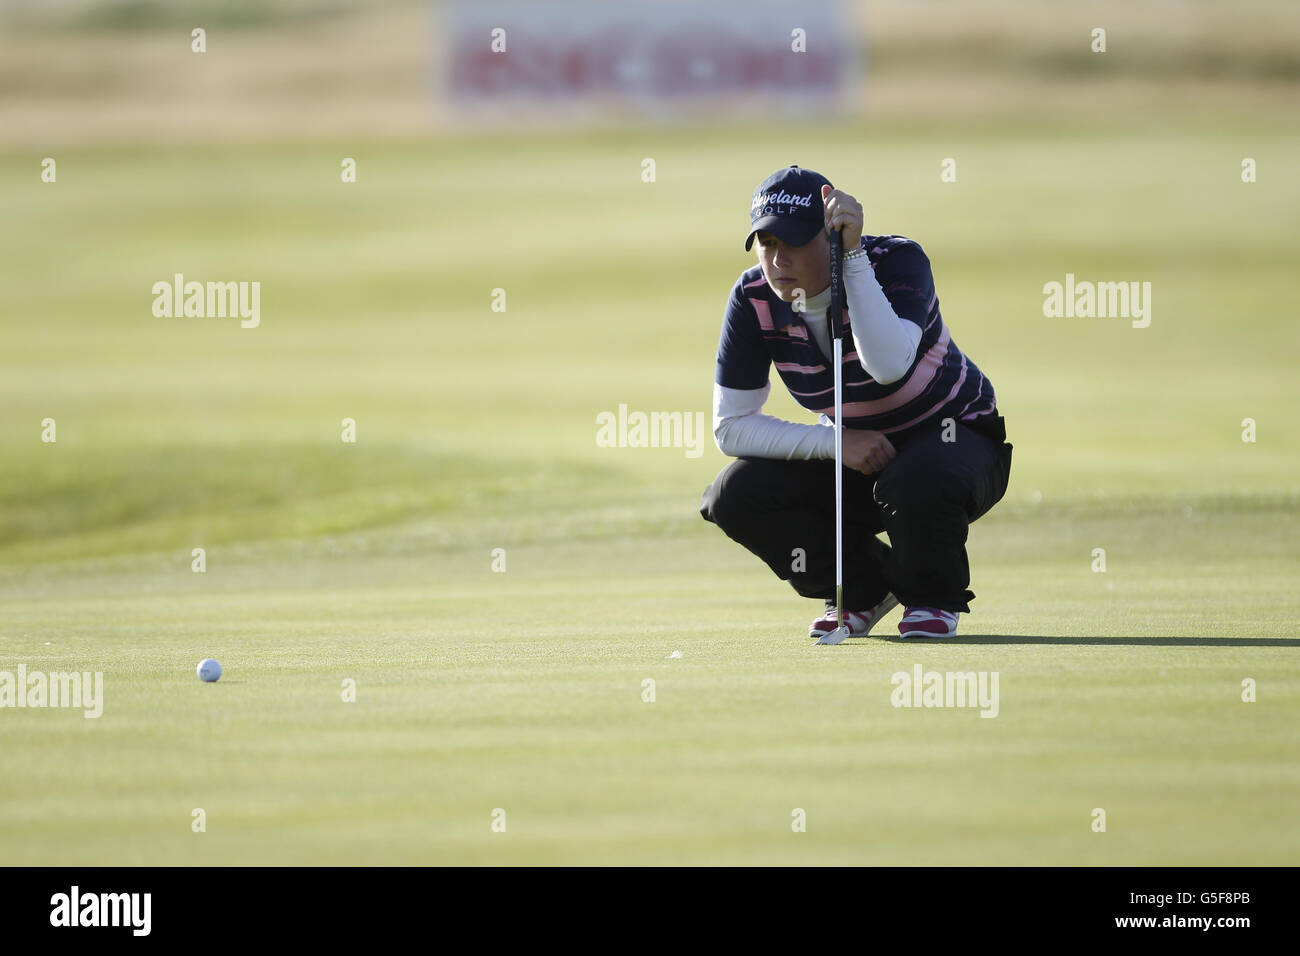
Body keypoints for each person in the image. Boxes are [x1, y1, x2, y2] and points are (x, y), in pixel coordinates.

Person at [698, 165, 1013, 639]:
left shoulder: (897, 262)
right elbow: (731, 427)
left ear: (833, 237)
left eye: (796, 243)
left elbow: (888, 365)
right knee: (734, 495)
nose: (779, 259)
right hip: (857, 453)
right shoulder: (753, 298)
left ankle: (931, 595)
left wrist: (854, 261)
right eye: (767, 244)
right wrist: (836, 444)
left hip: (958, 440)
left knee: (915, 478)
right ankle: (861, 589)